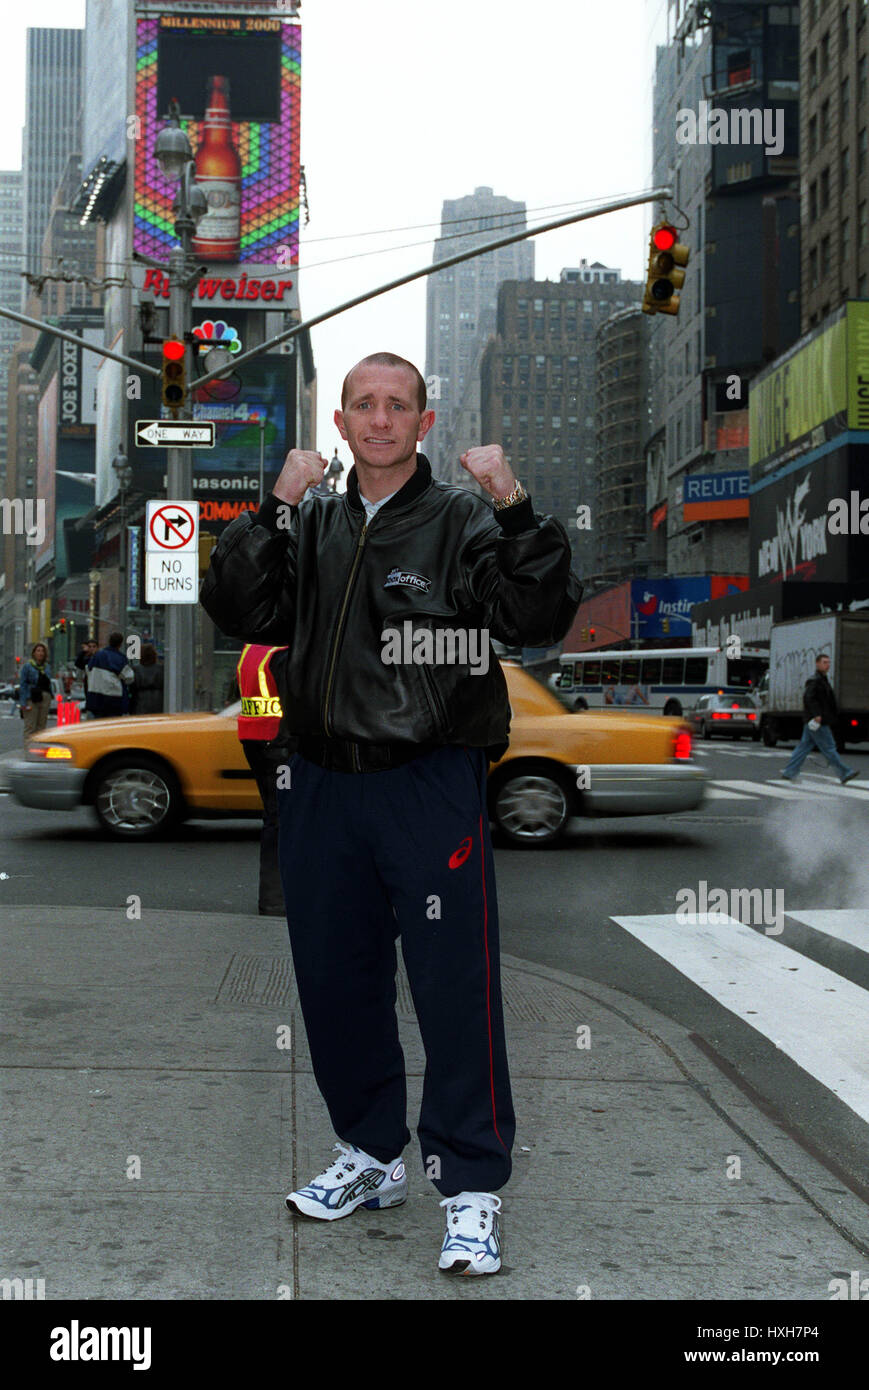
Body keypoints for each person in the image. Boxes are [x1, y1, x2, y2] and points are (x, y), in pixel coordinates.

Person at [201, 351, 582, 1277]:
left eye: (397, 406)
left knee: (454, 989)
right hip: (323, 781)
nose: (379, 420)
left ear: (424, 422)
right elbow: (235, 605)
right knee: (336, 984)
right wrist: (272, 508)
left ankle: (471, 1188)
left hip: (429, 782)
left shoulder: (460, 520)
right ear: (339, 423)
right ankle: (370, 1156)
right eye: (363, 406)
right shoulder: (315, 521)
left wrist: (514, 504)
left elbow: (536, 614)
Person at [235, 642, 295, 915]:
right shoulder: (282, 651)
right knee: (283, 821)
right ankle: (276, 899)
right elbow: (293, 703)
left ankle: (275, 898)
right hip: (278, 744)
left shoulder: (251, 649)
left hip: (253, 739)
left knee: (274, 817)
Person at [780, 652, 859, 785]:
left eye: (828, 662)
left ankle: (790, 771)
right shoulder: (815, 680)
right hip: (818, 720)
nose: (827, 665)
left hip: (815, 720)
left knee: (804, 747)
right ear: (817, 664)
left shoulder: (822, 679)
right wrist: (817, 714)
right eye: (824, 662)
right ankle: (844, 772)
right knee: (829, 748)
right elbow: (809, 698)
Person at [86, 631, 135, 719]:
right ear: (120, 644)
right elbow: (129, 678)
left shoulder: (97, 656)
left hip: (95, 698)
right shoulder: (119, 658)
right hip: (113, 699)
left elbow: (88, 670)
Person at [19, 643, 52, 743]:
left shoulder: (47, 667)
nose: (40, 653)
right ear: (33, 653)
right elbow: (23, 684)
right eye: (38, 651)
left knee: (41, 726)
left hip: (44, 697)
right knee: (30, 726)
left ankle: (39, 749)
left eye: (42, 651)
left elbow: (48, 682)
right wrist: (23, 703)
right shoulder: (28, 666)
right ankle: (28, 748)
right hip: (31, 697)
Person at [129, 644, 164, 715]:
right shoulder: (161, 669)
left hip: (140, 702)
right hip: (158, 700)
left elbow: (132, 688)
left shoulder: (136, 669)